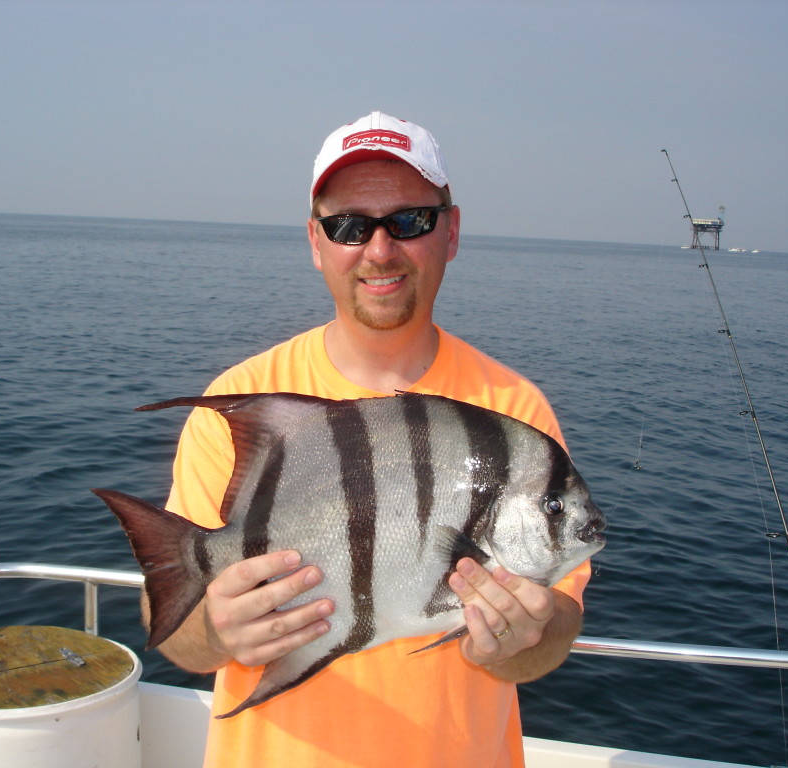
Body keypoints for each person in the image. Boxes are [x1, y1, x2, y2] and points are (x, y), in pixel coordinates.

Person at [149, 111, 592, 768]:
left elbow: (556, 626)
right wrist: (215, 629)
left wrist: (528, 637)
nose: (380, 250)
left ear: (451, 232)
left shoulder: (514, 410)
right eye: (350, 226)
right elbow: (177, 632)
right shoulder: (237, 397)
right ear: (315, 241)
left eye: (409, 221)